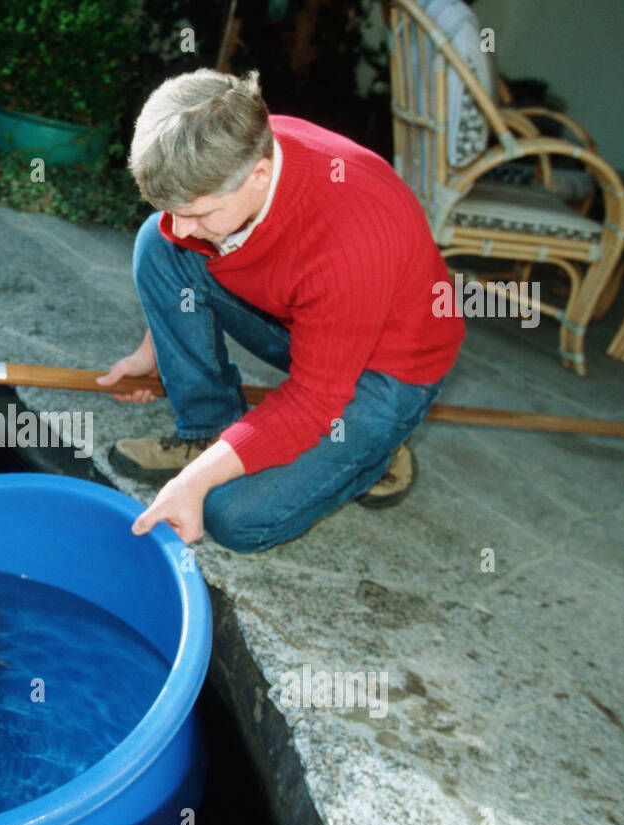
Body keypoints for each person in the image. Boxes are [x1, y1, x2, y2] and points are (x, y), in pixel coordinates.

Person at [97, 67, 465, 553]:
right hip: (307, 321)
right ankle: (209, 430)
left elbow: (314, 400)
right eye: (175, 209)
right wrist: (155, 349)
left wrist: (197, 484)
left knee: (231, 517)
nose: (182, 229)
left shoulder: (348, 240)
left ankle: (377, 451)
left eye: (199, 213)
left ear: (260, 176)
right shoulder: (238, 146)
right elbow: (182, 249)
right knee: (158, 244)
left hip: (387, 367)